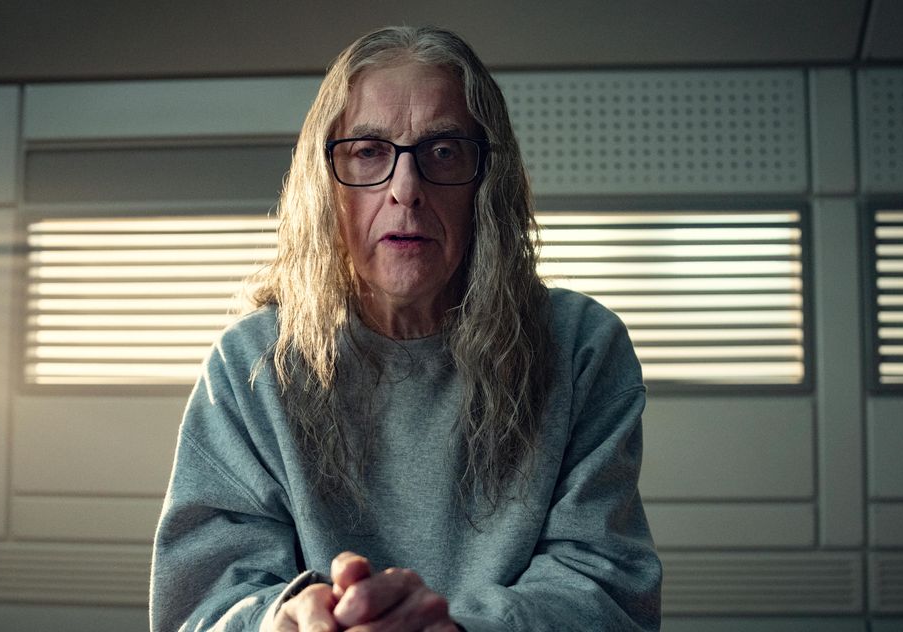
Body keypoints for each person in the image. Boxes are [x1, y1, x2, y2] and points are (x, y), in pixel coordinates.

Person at [150, 25, 662, 632]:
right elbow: (201, 605)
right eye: (369, 151)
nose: (406, 190)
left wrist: (453, 626)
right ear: (325, 182)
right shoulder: (251, 364)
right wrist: (282, 619)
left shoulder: (580, 346)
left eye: (443, 152)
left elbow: (606, 593)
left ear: (486, 181)